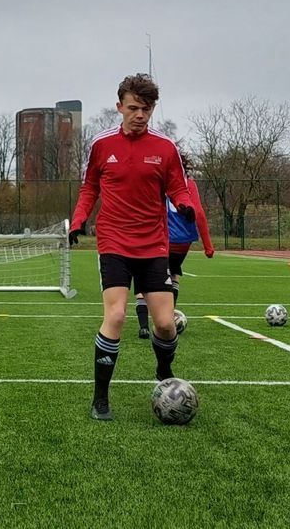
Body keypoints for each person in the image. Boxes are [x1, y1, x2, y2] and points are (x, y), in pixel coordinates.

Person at [69, 74, 195, 422]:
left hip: (154, 244)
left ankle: (162, 373)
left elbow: (178, 188)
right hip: (114, 243)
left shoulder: (166, 148)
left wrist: (184, 205)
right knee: (117, 315)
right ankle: (100, 398)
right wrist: (79, 219)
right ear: (120, 106)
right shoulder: (101, 145)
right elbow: (89, 188)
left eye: (147, 108)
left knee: (167, 324)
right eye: (134, 107)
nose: (140, 115)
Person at [133, 153, 214, 339]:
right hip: (183, 242)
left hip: (159, 239)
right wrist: (208, 245)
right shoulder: (188, 184)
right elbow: (199, 213)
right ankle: (167, 318)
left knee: (143, 278)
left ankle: (144, 326)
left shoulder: (155, 181)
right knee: (174, 275)